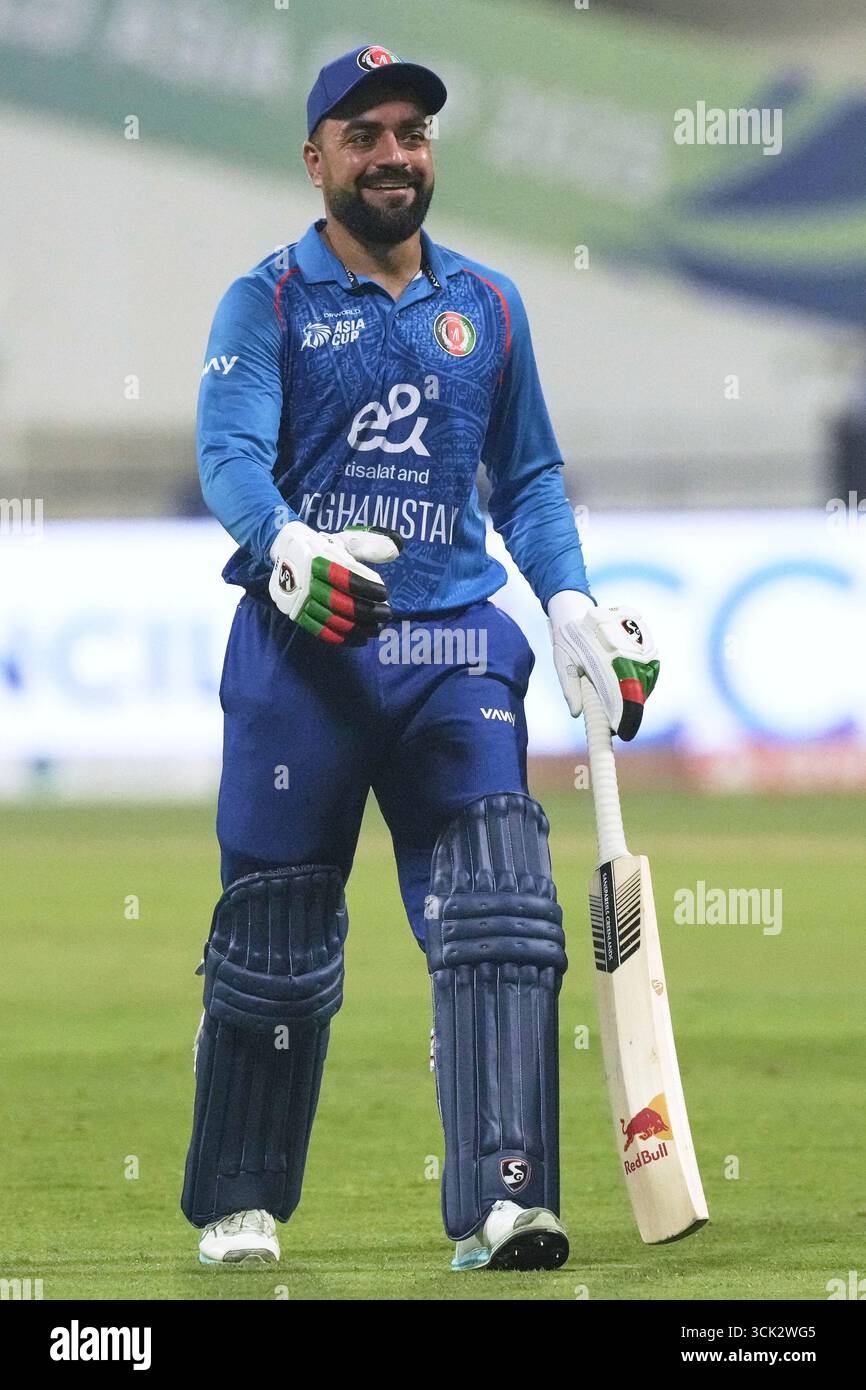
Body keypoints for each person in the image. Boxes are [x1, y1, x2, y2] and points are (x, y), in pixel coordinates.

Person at [182, 43, 659, 1273]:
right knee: (277, 938)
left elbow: (530, 476)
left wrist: (568, 606)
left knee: (501, 914)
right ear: (316, 158)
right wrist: (282, 542)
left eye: (411, 133)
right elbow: (229, 454)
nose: (392, 154)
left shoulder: (487, 306)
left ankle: (505, 1201)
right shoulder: (269, 300)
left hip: (452, 644)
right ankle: (241, 1200)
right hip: (305, 653)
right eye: (364, 134)